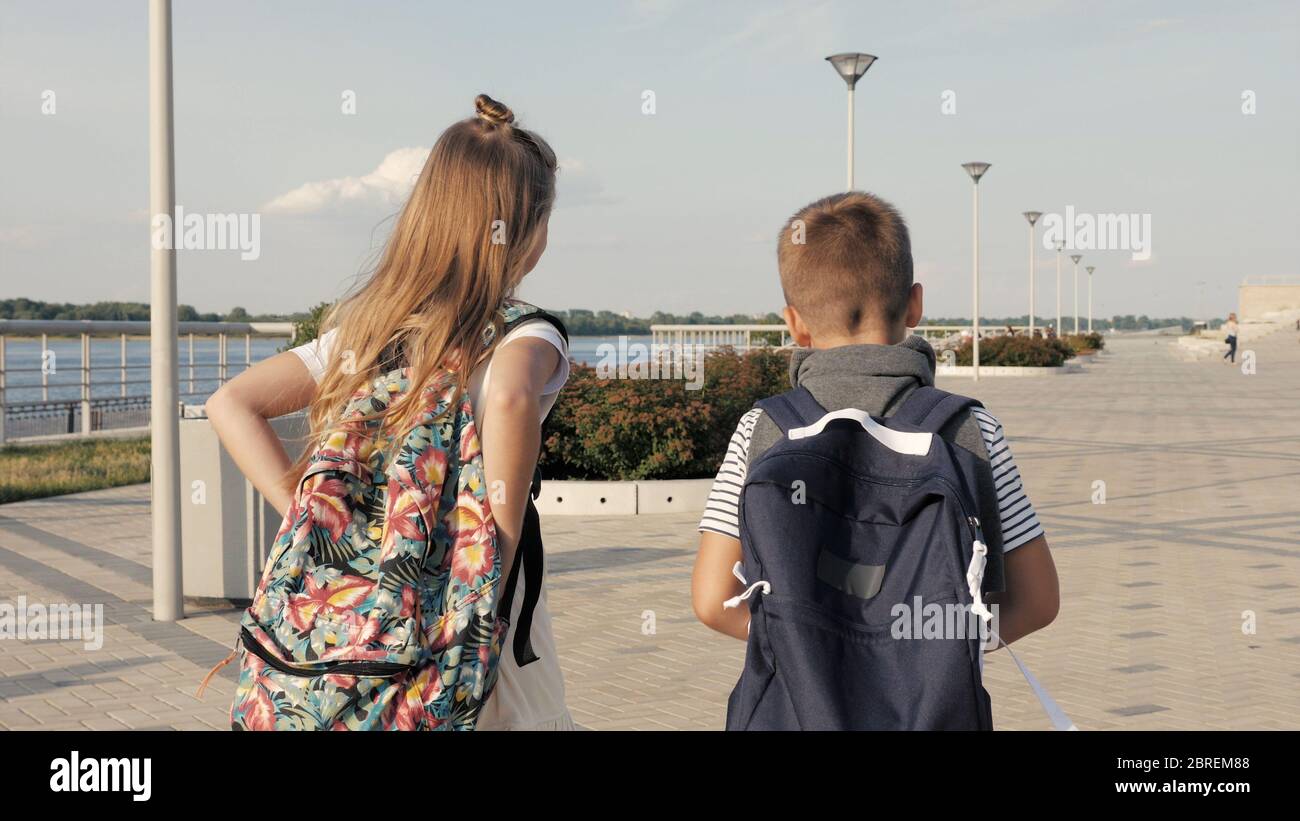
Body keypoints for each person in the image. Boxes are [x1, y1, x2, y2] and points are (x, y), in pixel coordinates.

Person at [206, 94, 575, 731]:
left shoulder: (371, 331)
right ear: (527, 229)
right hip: (463, 629)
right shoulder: (524, 335)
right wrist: (486, 589)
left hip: (347, 619)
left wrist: (311, 513)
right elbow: (512, 396)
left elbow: (231, 402)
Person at [691, 192, 1059, 714]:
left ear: (794, 322)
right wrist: (933, 653)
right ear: (915, 304)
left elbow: (711, 600)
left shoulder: (764, 426)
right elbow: (1037, 601)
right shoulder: (969, 427)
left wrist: (810, 653)